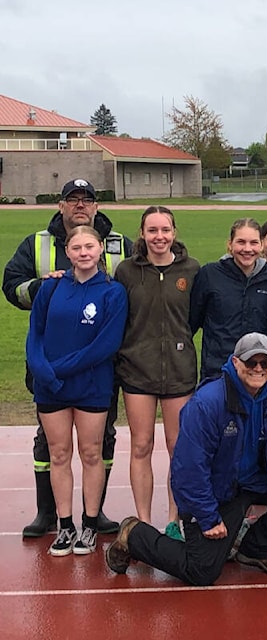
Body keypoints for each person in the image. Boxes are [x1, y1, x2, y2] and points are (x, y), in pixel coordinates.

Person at [105, 333, 267, 585]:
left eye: (266, 363)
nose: (259, 369)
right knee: (202, 571)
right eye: (251, 363)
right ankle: (134, 535)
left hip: (254, 482)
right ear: (236, 362)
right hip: (217, 492)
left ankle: (256, 548)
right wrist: (208, 516)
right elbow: (188, 471)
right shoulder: (207, 404)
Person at [2, 178, 132, 537]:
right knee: (49, 444)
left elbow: (136, 288)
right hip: (49, 368)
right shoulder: (38, 244)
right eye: (71, 199)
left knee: (101, 441)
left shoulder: (120, 244)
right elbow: (12, 283)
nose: (79, 205)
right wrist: (40, 288)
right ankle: (50, 514)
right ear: (60, 206)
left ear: (96, 207)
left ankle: (95, 514)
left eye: (86, 200)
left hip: (99, 370)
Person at [26, 225, 128, 555]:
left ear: (101, 249)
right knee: (58, 454)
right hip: (51, 388)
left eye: (89, 247)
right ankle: (65, 525)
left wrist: (57, 370)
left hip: (90, 387)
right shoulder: (51, 287)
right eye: (76, 248)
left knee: (91, 453)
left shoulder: (113, 292)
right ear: (67, 252)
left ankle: (90, 523)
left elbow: (106, 345)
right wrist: (43, 371)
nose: (83, 253)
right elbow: (35, 335)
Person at [114, 206, 200, 542]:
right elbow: (121, 318)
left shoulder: (191, 270)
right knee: (141, 445)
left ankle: (175, 520)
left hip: (179, 372)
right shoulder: (126, 271)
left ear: (174, 232)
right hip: (138, 372)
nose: (159, 237)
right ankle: (144, 522)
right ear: (142, 233)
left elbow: (195, 317)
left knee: (178, 447)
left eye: (165, 230)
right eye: (152, 230)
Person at [190, 218, 267, 381]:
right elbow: (193, 321)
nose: (247, 249)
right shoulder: (210, 274)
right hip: (217, 370)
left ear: (261, 245)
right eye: (241, 242)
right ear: (230, 245)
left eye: (253, 243)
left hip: (257, 372)